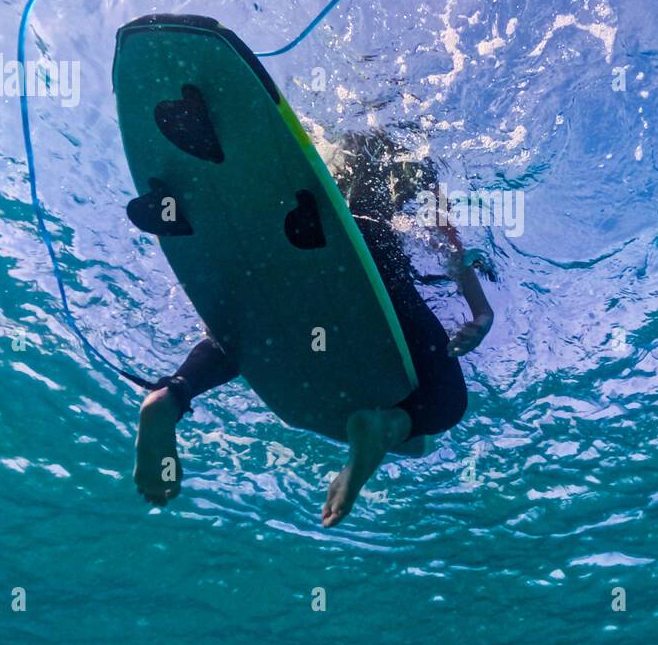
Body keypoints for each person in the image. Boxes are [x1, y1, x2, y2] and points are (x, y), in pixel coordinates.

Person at [133, 128, 494, 526]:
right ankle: (385, 427)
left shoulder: (323, 142)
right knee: (448, 401)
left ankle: (174, 393)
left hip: (287, 242)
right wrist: (481, 313)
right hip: (368, 258)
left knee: (244, 330)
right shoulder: (415, 163)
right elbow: (451, 250)